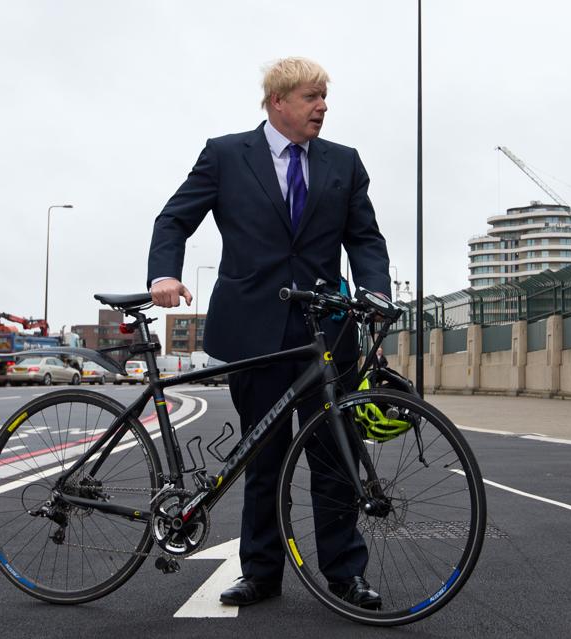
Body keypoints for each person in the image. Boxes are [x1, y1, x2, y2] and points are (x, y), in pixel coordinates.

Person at [146, 57, 391, 607]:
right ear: (278, 102)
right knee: (265, 455)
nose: (322, 107)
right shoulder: (227, 154)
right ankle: (260, 572)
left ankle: (345, 574)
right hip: (254, 329)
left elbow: (366, 239)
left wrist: (375, 293)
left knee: (335, 456)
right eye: (311, 97)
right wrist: (165, 273)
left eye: (324, 96)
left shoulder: (344, 164)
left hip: (327, 330)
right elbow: (174, 219)